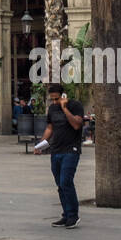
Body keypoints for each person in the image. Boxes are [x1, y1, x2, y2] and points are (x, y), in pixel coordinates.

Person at [35, 84, 84, 229]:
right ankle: (66, 214)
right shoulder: (52, 109)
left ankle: (73, 216)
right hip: (55, 150)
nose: (55, 102)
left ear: (63, 95)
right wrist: (41, 144)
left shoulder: (75, 106)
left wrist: (64, 108)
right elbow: (50, 127)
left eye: (57, 99)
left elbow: (76, 125)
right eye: (52, 99)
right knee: (60, 185)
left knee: (66, 182)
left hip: (71, 150)